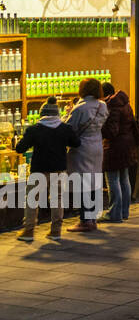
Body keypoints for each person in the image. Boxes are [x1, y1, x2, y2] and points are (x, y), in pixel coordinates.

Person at [14, 98, 81, 243]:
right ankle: (56, 231)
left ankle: (29, 231)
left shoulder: (34, 129)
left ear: (41, 114)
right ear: (57, 114)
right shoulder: (65, 128)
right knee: (57, 200)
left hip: (39, 169)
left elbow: (20, 148)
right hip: (59, 169)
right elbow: (76, 143)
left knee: (32, 200)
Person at [65, 78, 108, 233]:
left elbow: (69, 128)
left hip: (82, 148)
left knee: (82, 184)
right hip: (96, 145)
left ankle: (85, 220)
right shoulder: (102, 106)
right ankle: (92, 218)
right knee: (94, 182)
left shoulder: (80, 108)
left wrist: (67, 114)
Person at [99, 83, 138, 224]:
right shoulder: (125, 104)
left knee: (113, 179)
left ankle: (114, 213)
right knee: (124, 178)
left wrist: (98, 127)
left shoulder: (112, 107)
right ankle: (124, 211)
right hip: (127, 145)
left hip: (114, 148)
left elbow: (112, 131)